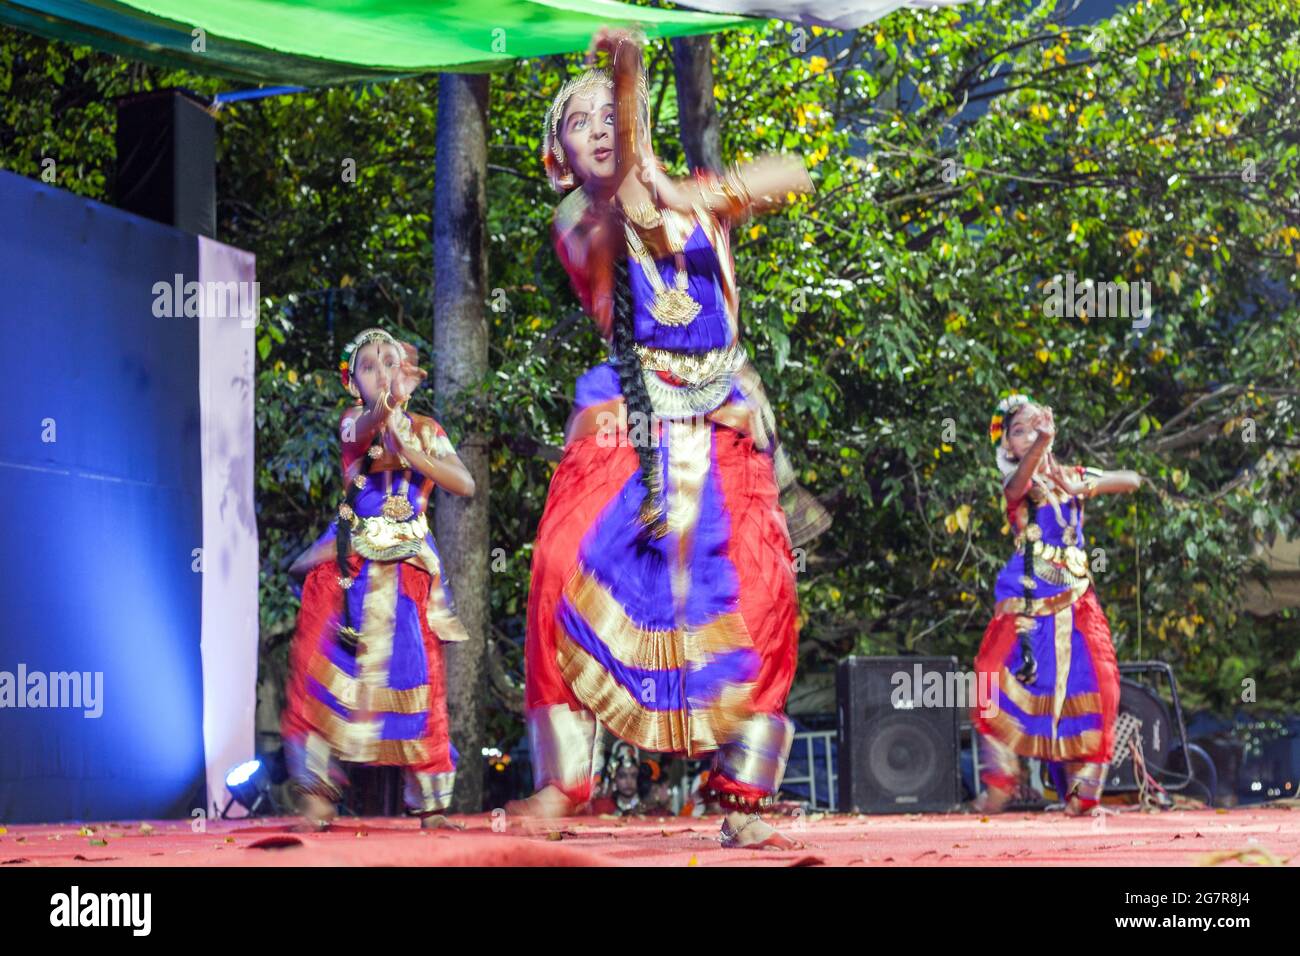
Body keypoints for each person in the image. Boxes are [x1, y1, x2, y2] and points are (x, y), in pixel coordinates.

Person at [509, 28, 824, 849]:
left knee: (758, 589)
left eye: (606, 113)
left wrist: (707, 194)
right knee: (559, 565)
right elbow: (627, 212)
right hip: (632, 421)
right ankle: (565, 781)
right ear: (559, 158)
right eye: (580, 122)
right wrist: (629, 73)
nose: (600, 127)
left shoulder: (685, 199)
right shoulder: (578, 219)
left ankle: (745, 794)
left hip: (723, 417)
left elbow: (795, 172)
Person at [280, 327, 476, 830]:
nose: (383, 369)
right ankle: (317, 795)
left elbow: (464, 483)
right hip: (352, 565)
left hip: (409, 565)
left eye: (390, 360)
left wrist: (414, 452)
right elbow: (372, 430)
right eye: (369, 365)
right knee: (327, 673)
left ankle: (431, 804)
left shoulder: (428, 429)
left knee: (419, 677)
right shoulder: (353, 423)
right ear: (354, 384)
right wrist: (389, 407)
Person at [972, 395, 1142, 815]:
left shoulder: (1072, 476)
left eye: (1034, 426)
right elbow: (1017, 488)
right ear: (1008, 447)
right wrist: (1041, 443)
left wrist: (1086, 484)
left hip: (1075, 595)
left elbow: (1133, 479)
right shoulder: (1019, 484)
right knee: (993, 676)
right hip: (1028, 594)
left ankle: (1084, 793)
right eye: (1018, 431)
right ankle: (1000, 781)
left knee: (1100, 683)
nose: (1027, 434)